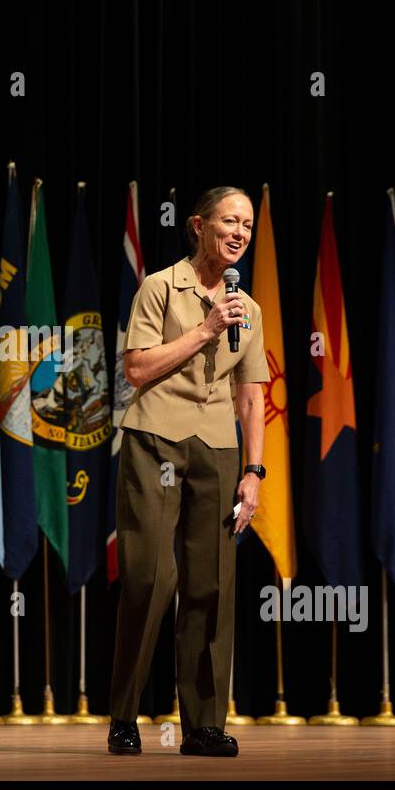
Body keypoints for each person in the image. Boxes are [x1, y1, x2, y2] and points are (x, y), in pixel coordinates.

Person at [107, 186, 269, 757]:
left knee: (212, 584)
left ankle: (203, 723)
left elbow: (252, 397)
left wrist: (253, 471)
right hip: (155, 439)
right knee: (151, 577)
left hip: (219, 449)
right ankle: (124, 713)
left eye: (247, 225)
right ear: (199, 226)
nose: (240, 232)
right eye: (230, 220)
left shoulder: (246, 308)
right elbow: (135, 368)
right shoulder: (160, 287)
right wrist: (202, 331)